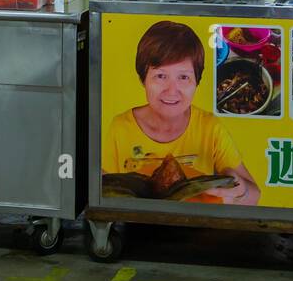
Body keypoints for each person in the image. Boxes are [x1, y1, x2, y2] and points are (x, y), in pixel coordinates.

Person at [103, 21, 260, 205]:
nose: (172, 90)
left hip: (196, 229)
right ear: (143, 79)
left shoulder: (210, 128)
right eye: (160, 76)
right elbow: (106, 188)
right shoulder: (120, 127)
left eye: (183, 77)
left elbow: (254, 195)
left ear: (197, 82)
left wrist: (240, 192)